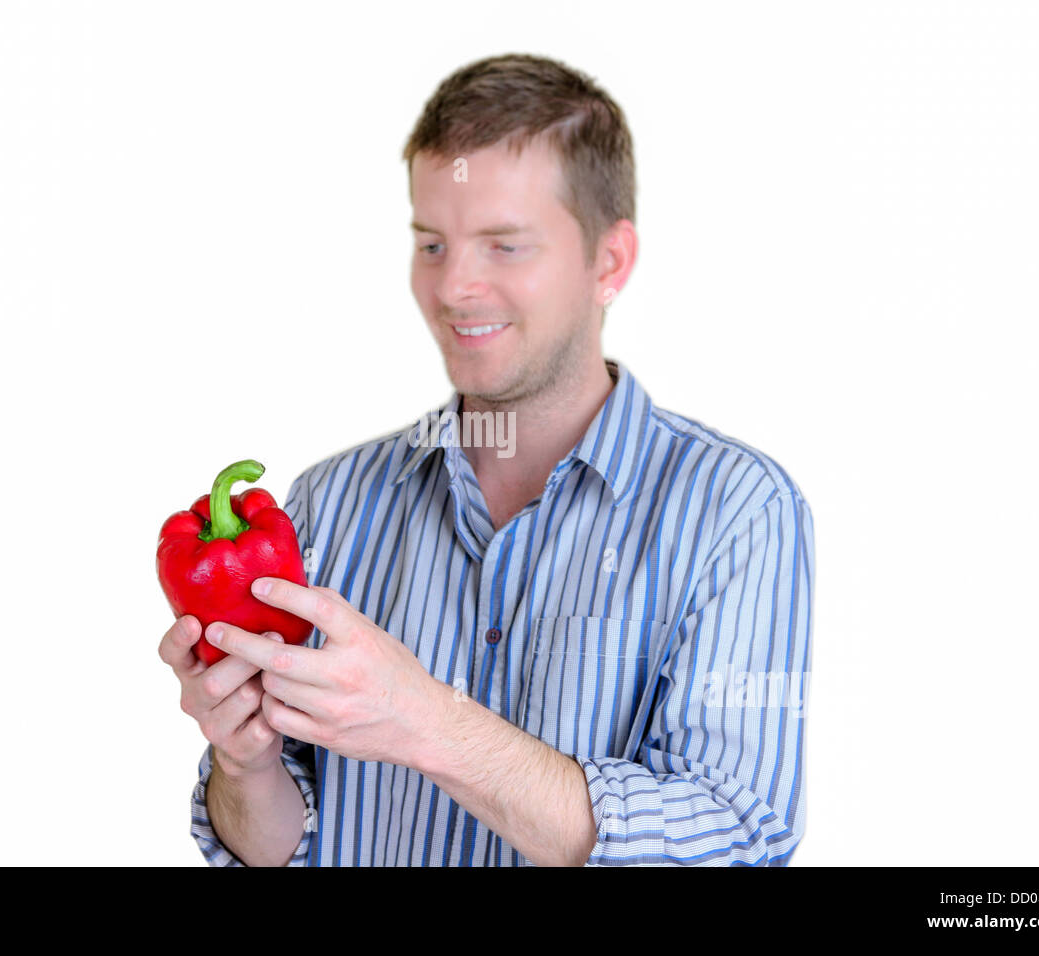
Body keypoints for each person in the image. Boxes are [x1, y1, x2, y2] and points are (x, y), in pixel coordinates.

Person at [158, 52, 815, 866]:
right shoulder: (329, 502)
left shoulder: (737, 510)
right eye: (432, 244)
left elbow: (736, 837)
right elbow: (274, 845)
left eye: (504, 246)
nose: (455, 287)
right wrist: (245, 761)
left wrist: (428, 721)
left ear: (608, 263)